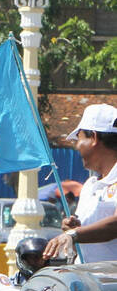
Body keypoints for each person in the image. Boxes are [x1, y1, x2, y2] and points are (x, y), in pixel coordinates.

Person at [43, 103, 117, 265]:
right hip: (88, 281)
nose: (76, 146)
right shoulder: (89, 186)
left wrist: (74, 234)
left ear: (94, 138)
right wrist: (73, 228)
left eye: (79, 138)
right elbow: (83, 240)